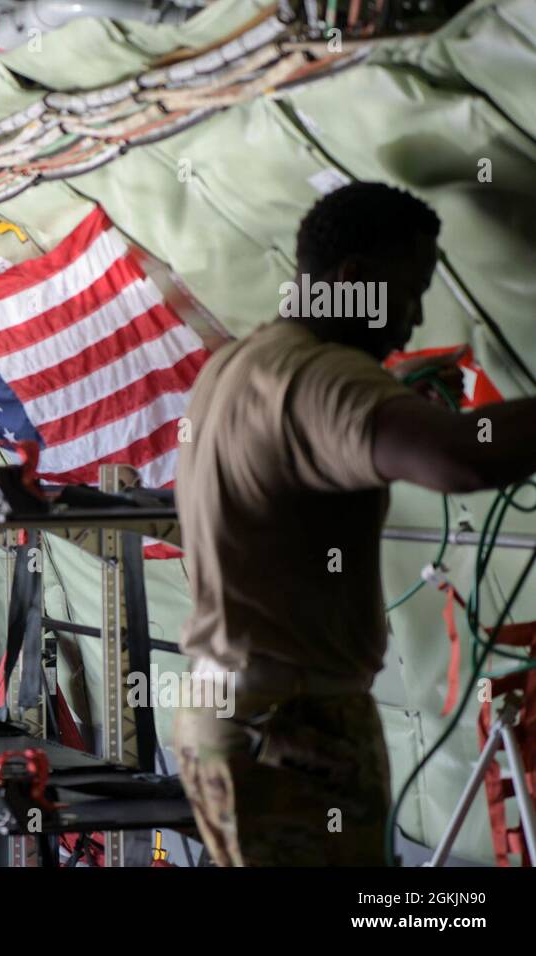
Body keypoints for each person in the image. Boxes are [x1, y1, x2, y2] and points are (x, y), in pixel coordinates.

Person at [173, 181, 536, 866]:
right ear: (356, 281)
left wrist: (399, 404)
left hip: (229, 712)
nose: (412, 319)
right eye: (410, 291)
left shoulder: (239, 363)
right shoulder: (322, 377)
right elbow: (458, 457)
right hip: (295, 725)